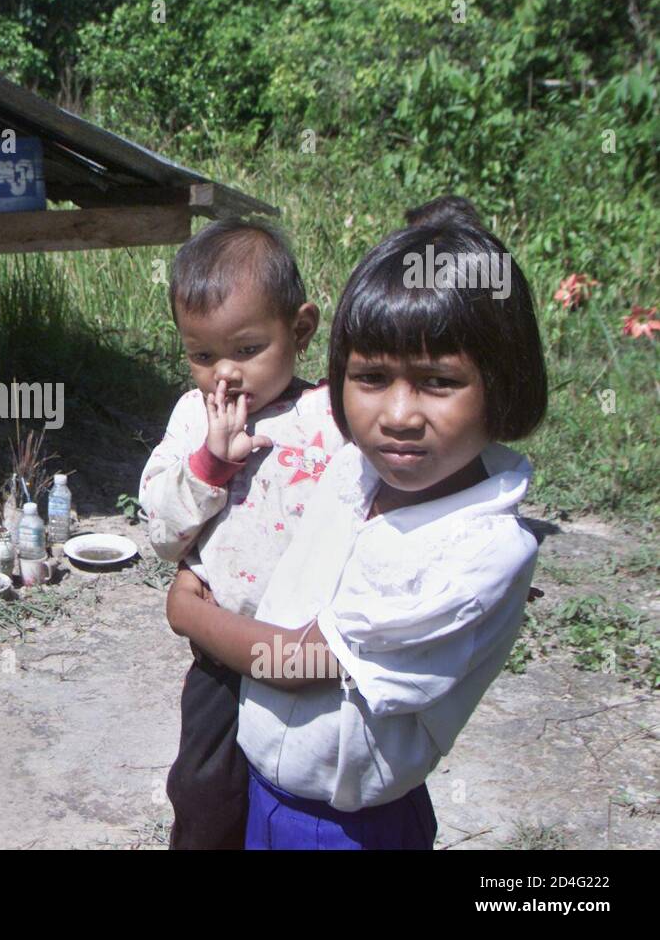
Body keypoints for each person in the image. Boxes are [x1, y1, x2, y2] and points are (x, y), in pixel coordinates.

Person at [165, 218, 548, 848]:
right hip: (265, 791)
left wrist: (188, 613)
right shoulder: (353, 470)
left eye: (439, 381)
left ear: (502, 384)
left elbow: (301, 662)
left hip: (347, 829)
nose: (398, 416)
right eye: (370, 378)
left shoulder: (480, 551)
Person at [138, 217, 346, 848]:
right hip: (222, 659)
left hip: (305, 652)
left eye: (247, 349)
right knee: (204, 795)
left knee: (297, 796)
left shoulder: (332, 417)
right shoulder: (190, 419)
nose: (223, 375)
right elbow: (163, 533)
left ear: (301, 329)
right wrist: (210, 465)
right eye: (202, 356)